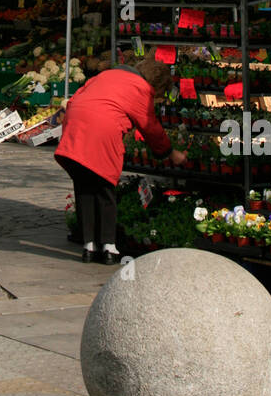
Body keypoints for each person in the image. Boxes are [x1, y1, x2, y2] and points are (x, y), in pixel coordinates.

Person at [54, 55, 187, 265]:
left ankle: (89, 247)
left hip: (74, 129)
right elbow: (150, 127)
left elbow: (78, 98)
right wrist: (170, 153)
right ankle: (109, 247)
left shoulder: (105, 75)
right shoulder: (139, 88)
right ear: (157, 84)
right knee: (105, 190)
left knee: (84, 189)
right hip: (102, 131)